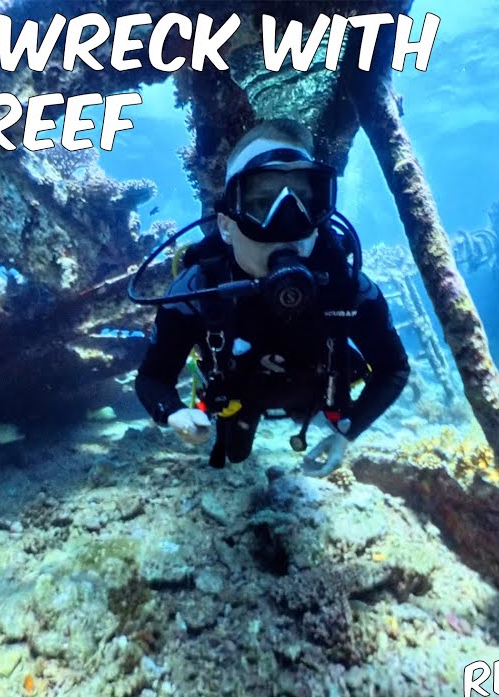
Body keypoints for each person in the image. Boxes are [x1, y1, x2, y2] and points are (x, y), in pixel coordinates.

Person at [131, 119, 410, 475]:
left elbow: (393, 368)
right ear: (226, 224)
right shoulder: (198, 288)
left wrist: (349, 431)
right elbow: (152, 378)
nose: (288, 223)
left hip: (314, 399)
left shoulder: (346, 285)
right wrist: (173, 413)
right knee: (235, 456)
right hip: (239, 399)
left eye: (305, 200)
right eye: (262, 202)